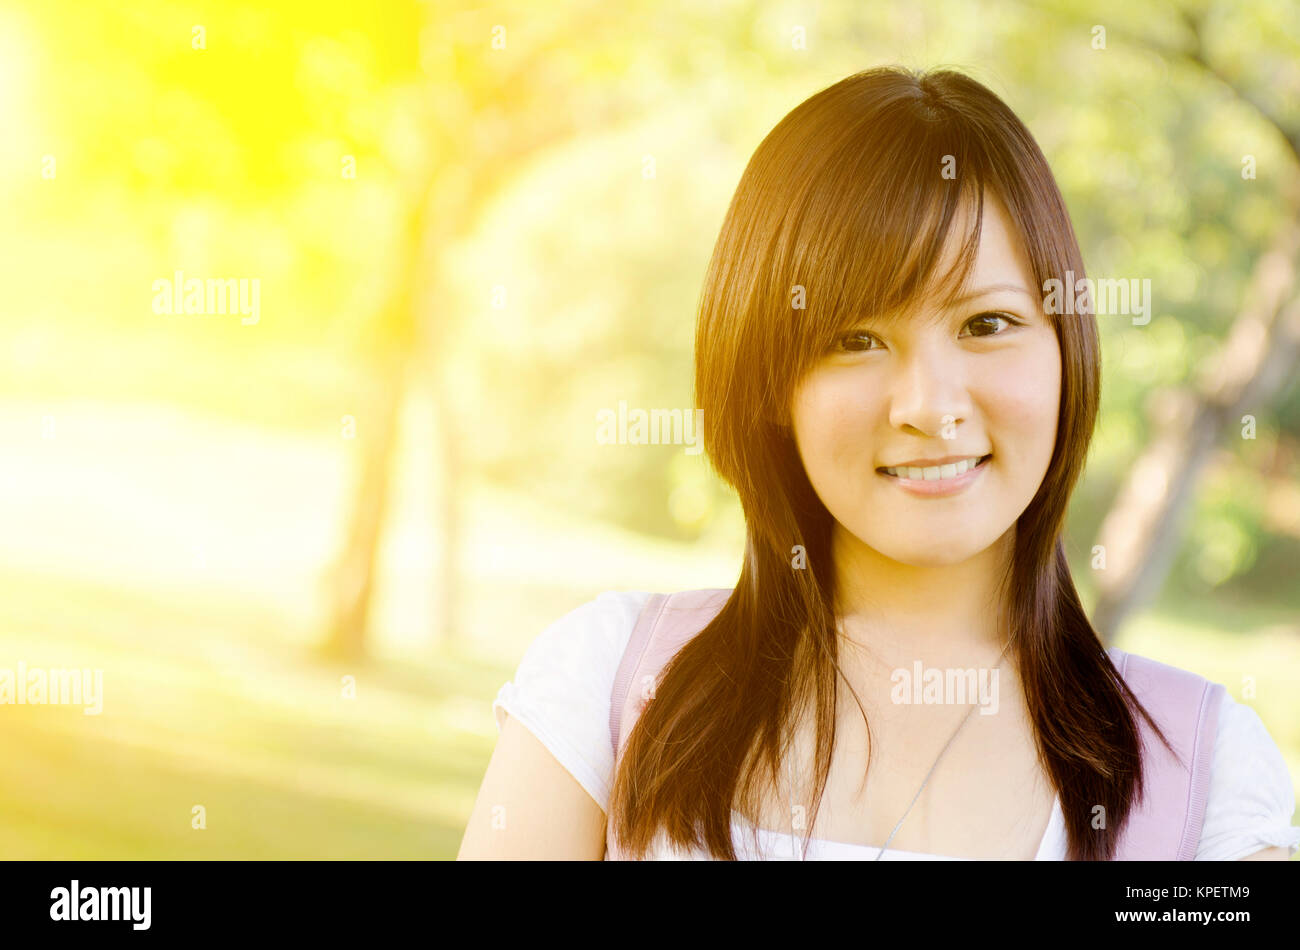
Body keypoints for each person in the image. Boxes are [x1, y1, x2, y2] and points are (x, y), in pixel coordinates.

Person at [457, 66, 1298, 861]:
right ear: (767, 379)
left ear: (1066, 349)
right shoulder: (608, 691)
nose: (930, 406)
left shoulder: (1203, 778)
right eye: (855, 340)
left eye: (986, 324)